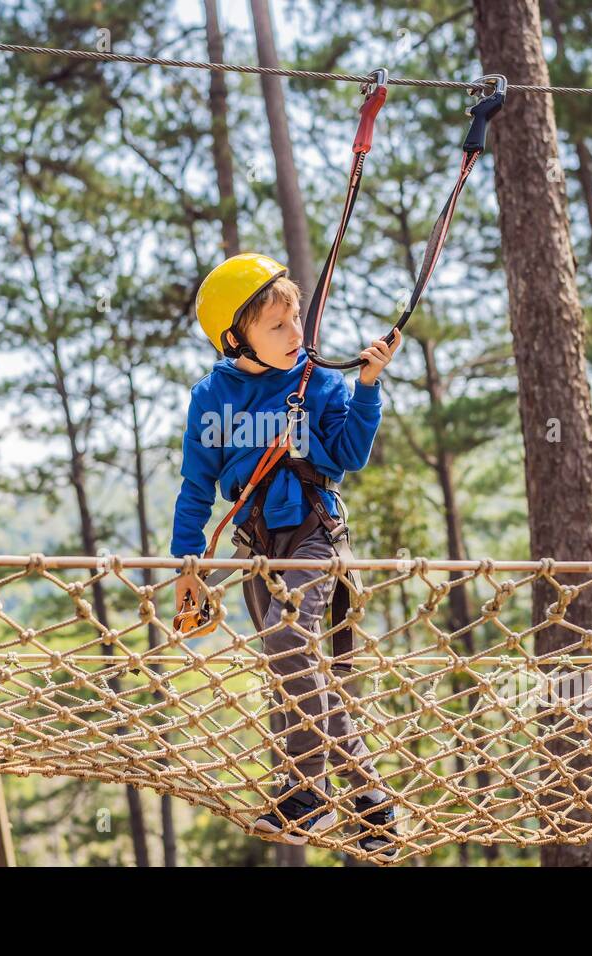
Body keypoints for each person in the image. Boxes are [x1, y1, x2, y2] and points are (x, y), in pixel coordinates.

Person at [170, 251, 400, 857]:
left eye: (297, 318)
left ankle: (307, 791)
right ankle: (372, 801)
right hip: (256, 550)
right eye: (278, 325)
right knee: (301, 672)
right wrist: (187, 566)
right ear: (234, 337)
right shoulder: (212, 398)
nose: (297, 333)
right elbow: (196, 487)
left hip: (312, 535)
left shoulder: (319, 381)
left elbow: (349, 456)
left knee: (289, 644)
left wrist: (367, 388)